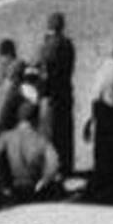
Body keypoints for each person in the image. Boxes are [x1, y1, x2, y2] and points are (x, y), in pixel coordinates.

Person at [0, 100, 61, 203]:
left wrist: (4, 185)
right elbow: (53, 164)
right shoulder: (41, 140)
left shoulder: (5, 137)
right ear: (36, 119)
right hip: (34, 189)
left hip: (13, 188)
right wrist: (43, 182)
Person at [86, 43, 113, 203]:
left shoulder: (103, 71)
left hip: (105, 112)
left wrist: (90, 120)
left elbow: (96, 96)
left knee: (103, 153)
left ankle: (103, 187)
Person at [34, 11, 76, 176]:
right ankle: (66, 167)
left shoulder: (46, 47)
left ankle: (51, 170)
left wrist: (40, 96)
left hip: (50, 96)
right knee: (65, 133)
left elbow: (41, 72)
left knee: (50, 133)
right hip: (65, 92)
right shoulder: (68, 44)